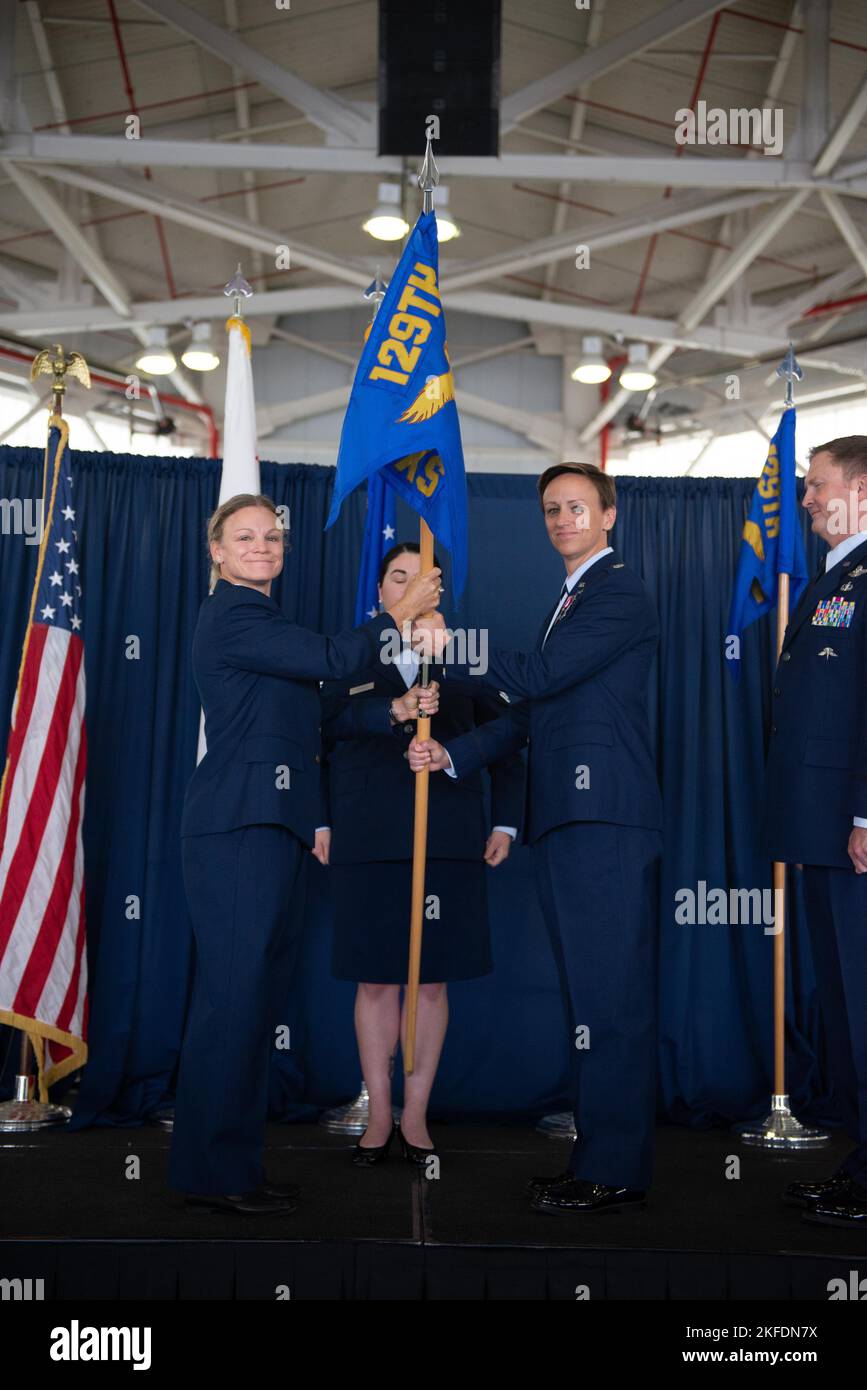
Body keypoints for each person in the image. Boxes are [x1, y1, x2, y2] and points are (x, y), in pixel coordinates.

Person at [168, 494, 442, 1215]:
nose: (262, 545)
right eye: (245, 536)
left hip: (271, 825)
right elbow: (329, 659)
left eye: (271, 535)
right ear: (218, 553)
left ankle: (226, 1167)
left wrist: (390, 711)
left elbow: (317, 709)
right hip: (239, 826)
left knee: (250, 1003)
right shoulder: (233, 615)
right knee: (234, 1003)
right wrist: (396, 612)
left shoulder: (263, 621)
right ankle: (216, 1175)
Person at [409, 463, 663, 1214]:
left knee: (611, 1000)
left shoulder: (617, 590)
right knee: (591, 999)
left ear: (608, 515)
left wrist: (452, 646)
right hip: (570, 819)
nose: (561, 519)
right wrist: (457, 754)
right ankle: (598, 1157)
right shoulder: (572, 598)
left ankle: (614, 1167)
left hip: (603, 819)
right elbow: (531, 715)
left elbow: (541, 676)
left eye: (576, 507)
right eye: (551, 509)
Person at [315, 541, 525, 1166]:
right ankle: (377, 1114)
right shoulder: (348, 653)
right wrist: (322, 820)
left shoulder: (465, 656)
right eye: (397, 576)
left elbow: (512, 732)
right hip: (368, 839)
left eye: (423, 579)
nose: (409, 587)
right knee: (376, 980)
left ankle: (416, 1113)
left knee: (430, 982)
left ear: (439, 595)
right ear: (381, 592)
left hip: (448, 841)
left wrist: (507, 824)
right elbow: (318, 734)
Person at [760, 436, 867, 1230]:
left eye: (816, 485)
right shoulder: (833, 578)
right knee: (843, 1001)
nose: (804, 499)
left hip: (854, 829)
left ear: (860, 489)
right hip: (820, 826)